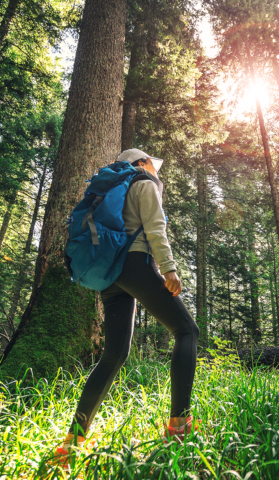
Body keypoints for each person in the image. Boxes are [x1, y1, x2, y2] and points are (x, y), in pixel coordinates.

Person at [54, 149, 200, 464]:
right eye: (153, 164)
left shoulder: (114, 186)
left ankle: (72, 443)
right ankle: (180, 426)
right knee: (187, 331)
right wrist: (168, 268)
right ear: (142, 163)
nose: (156, 170)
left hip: (110, 274)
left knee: (114, 354)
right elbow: (154, 226)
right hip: (134, 262)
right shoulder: (144, 181)